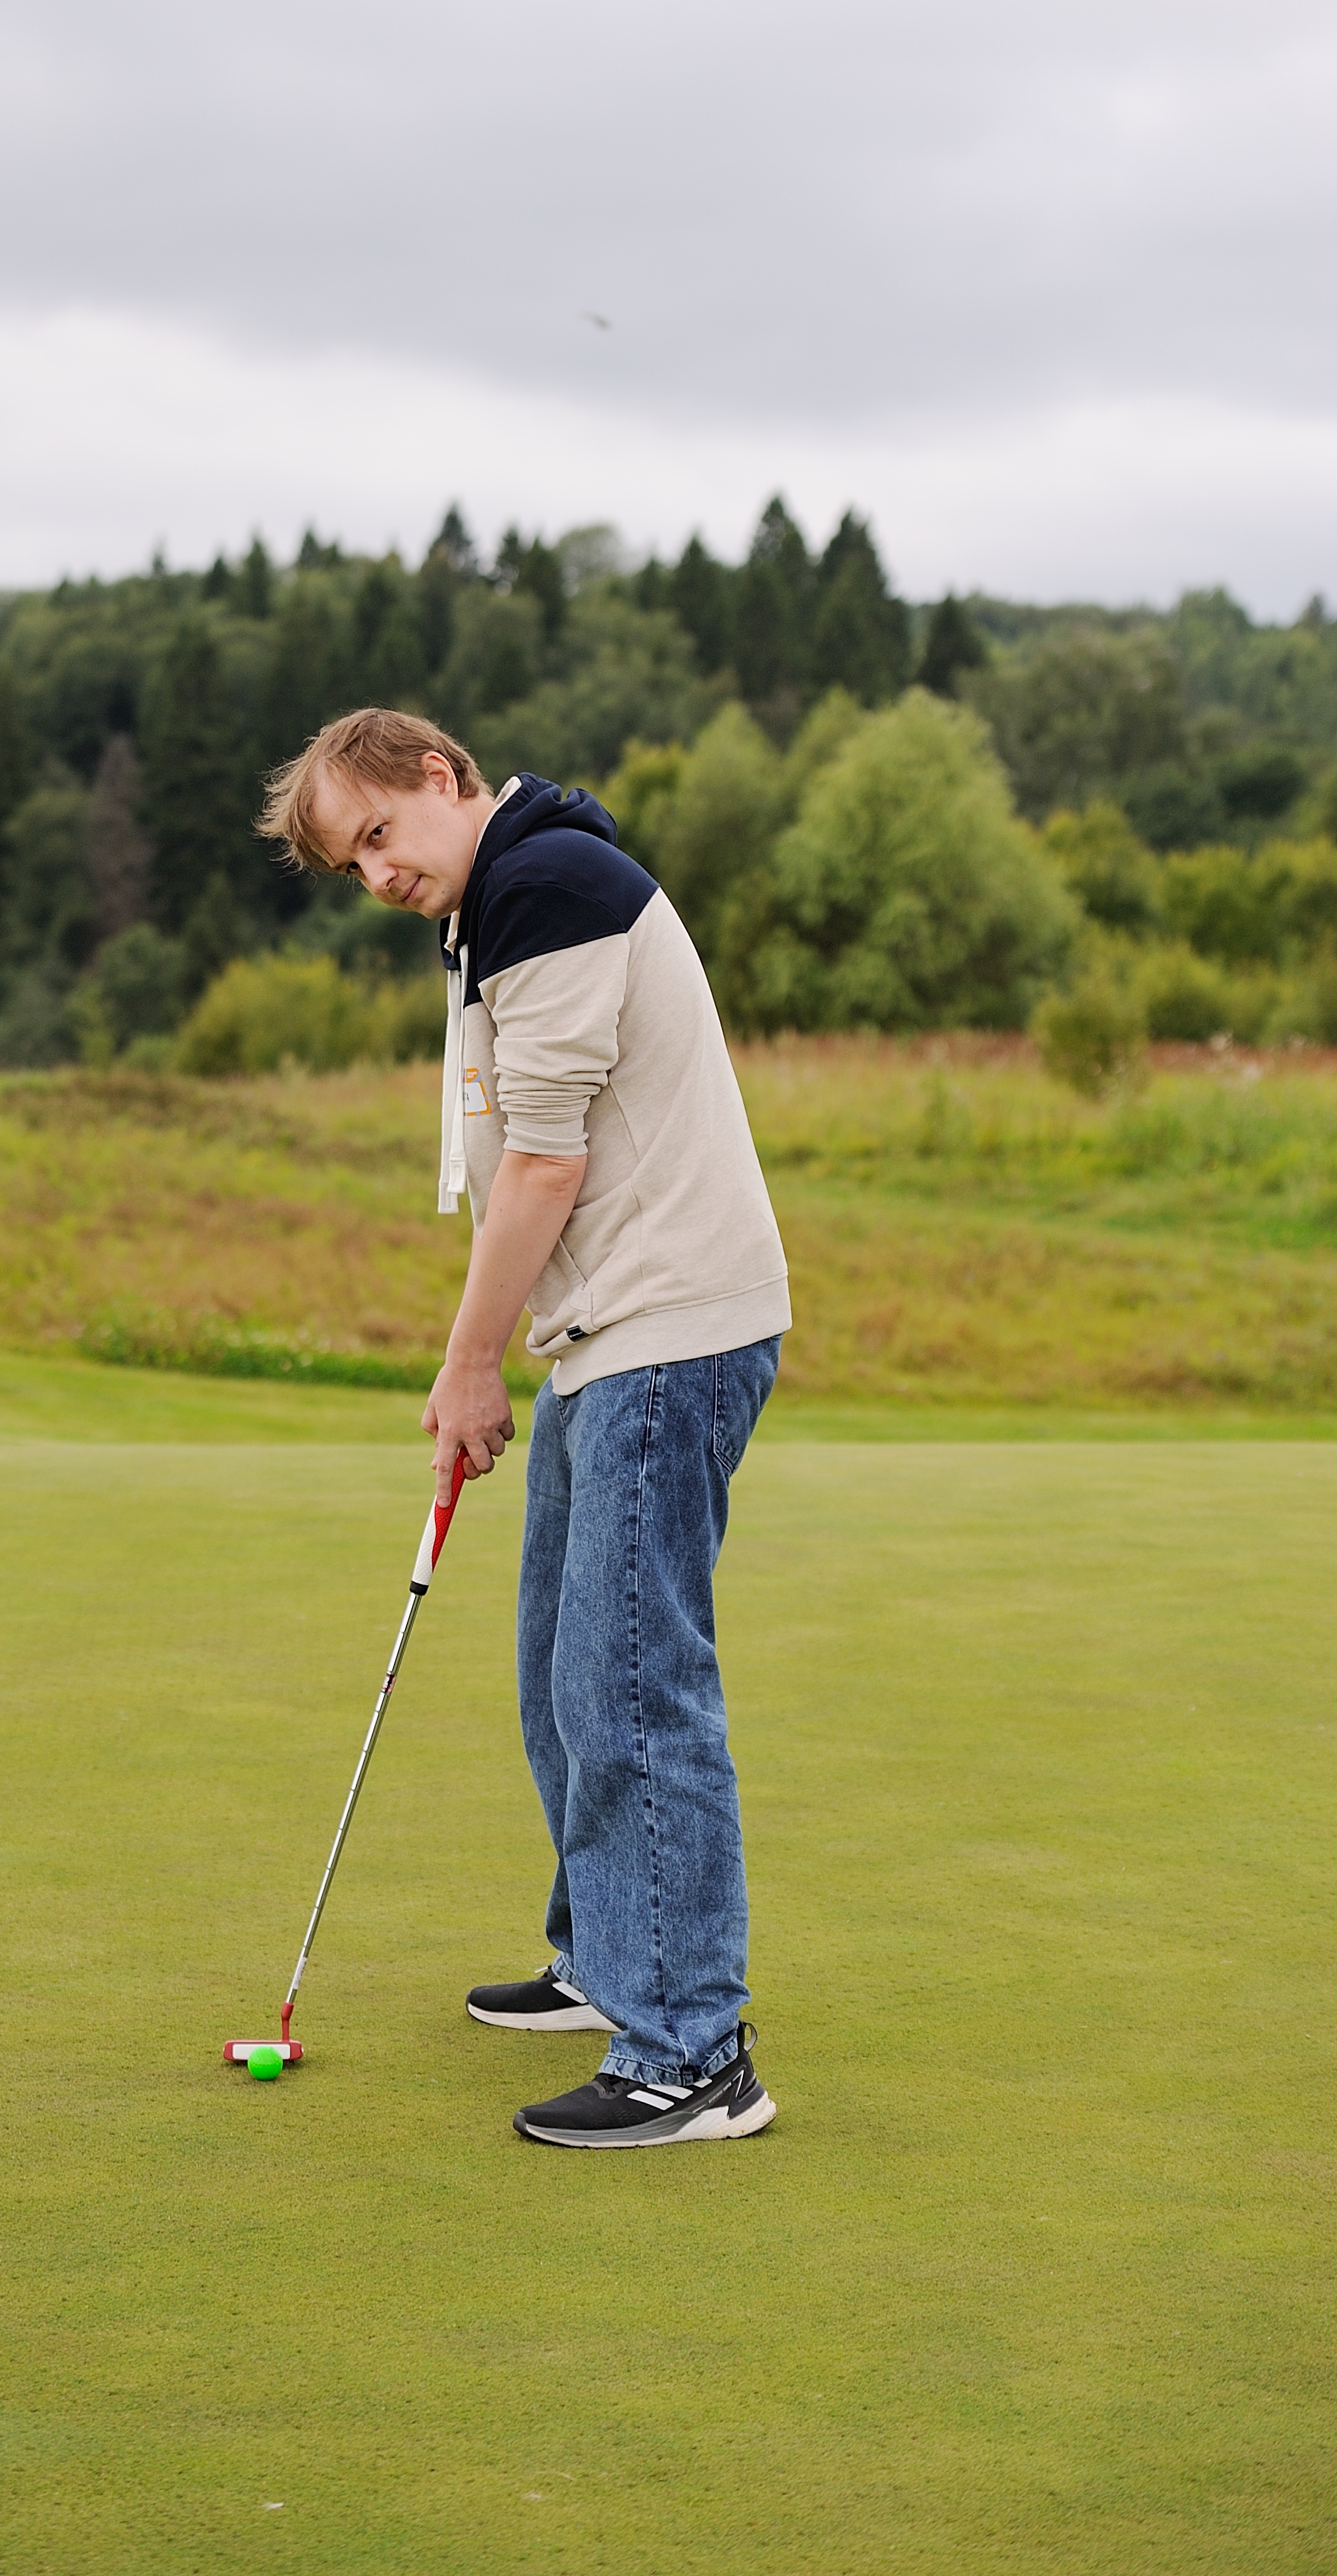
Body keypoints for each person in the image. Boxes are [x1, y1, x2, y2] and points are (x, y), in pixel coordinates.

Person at [257, 707, 790, 2148]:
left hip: (663, 1332)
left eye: (377, 833)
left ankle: (691, 2052)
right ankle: (610, 1957)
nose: (373, 873)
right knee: (569, 1664)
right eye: (346, 863)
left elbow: (545, 1168)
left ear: (440, 777)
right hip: (615, 1338)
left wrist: (466, 1364)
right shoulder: (507, 900)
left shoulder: (545, 888)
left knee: (628, 1683)